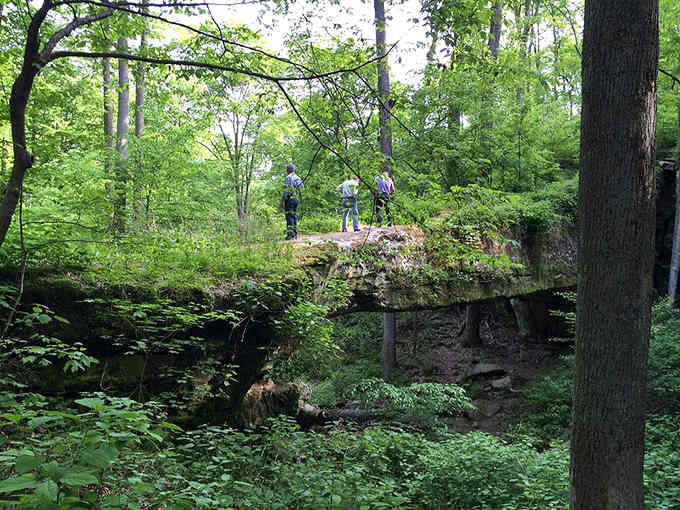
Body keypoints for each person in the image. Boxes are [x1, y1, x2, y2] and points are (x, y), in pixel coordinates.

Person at [280, 163, 303, 240]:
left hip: (290, 199)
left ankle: (290, 235)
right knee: (294, 216)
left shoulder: (288, 177)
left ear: (287, 170)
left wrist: (282, 201)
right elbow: (302, 188)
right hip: (296, 199)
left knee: (289, 216)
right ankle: (295, 234)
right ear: (294, 170)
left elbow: (286, 190)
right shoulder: (298, 178)